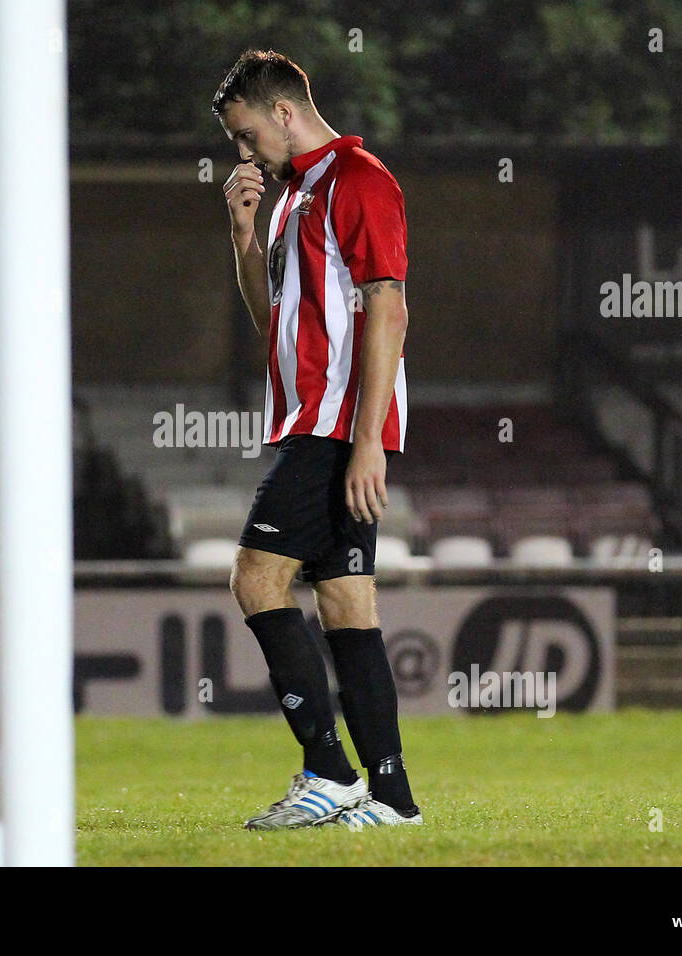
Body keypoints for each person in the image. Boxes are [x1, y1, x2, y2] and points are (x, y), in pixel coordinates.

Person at [213, 50, 420, 828]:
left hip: (338, 426)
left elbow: (388, 309)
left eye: (245, 136)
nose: (244, 154)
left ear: (283, 114)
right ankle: (393, 800)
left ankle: (329, 770)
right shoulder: (294, 197)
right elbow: (277, 326)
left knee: (257, 578)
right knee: (345, 604)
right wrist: (242, 238)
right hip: (317, 420)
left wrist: (367, 440)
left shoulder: (360, 181)